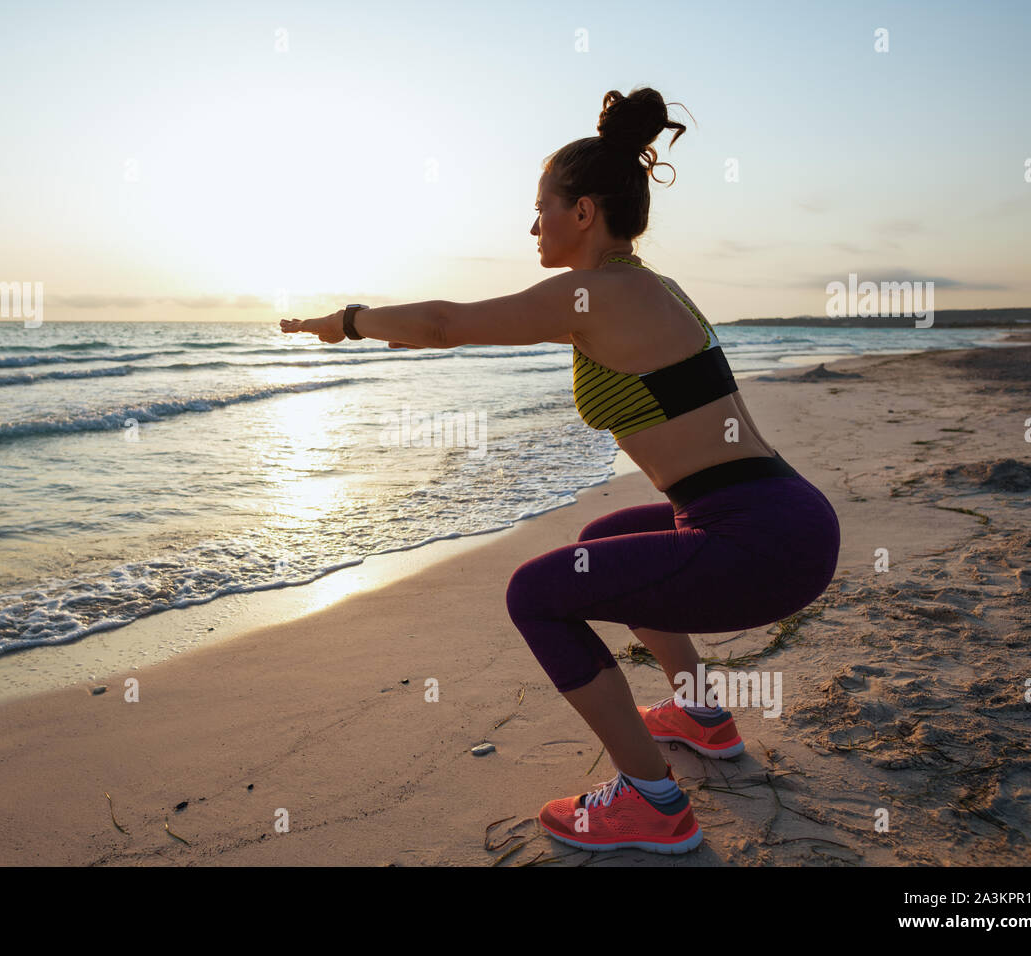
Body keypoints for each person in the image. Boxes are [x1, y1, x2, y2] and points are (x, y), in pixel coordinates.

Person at [280, 86, 840, 855]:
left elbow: (446, 324)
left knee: (536, 594)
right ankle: (702, 716)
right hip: (784, 517)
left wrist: (345, 322)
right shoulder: (647, 287)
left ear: (583, 213)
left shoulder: (592, 294)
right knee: (605, 537)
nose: (531, 224)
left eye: (540, 205)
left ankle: (652, 802)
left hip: (760, 544)